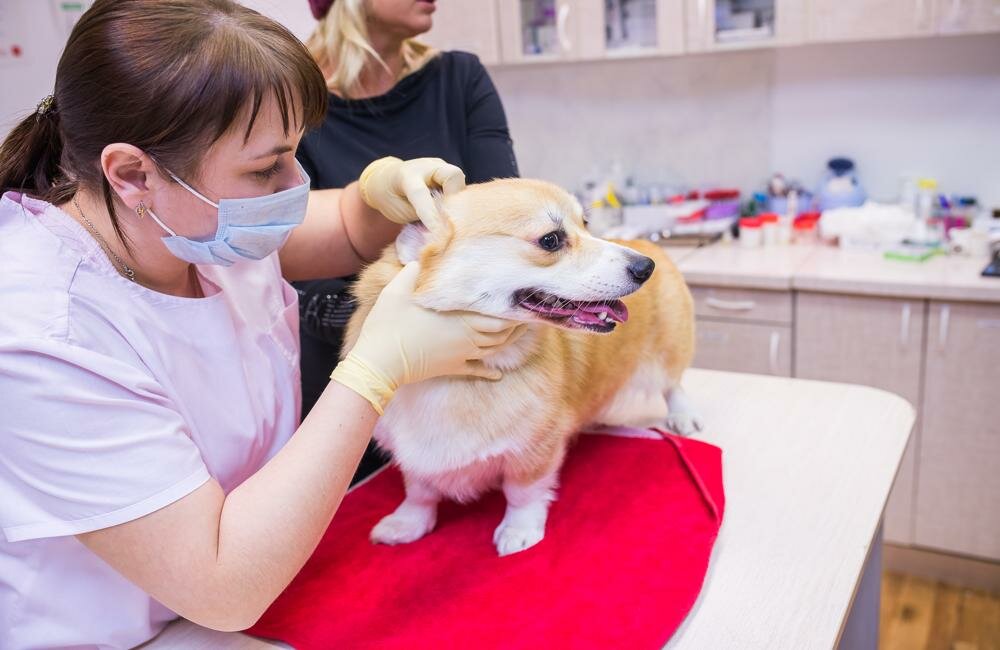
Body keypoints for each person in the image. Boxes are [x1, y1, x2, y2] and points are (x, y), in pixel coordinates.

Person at [0, 1, 522, 647]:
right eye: (264, 168)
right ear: (134, 174)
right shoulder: (39, 332)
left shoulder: (195, 227)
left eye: (295, 154)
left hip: (259, 600)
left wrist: (381, 193)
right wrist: (374, 371)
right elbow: (223, 587)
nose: (295, 183)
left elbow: (345, 227)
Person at [295, 1, 520, 477]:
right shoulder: (294, 105)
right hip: (347, 391)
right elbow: (294, 284)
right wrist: (396, 332)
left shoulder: (459, 78)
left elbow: (507, 231)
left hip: (464, 385)